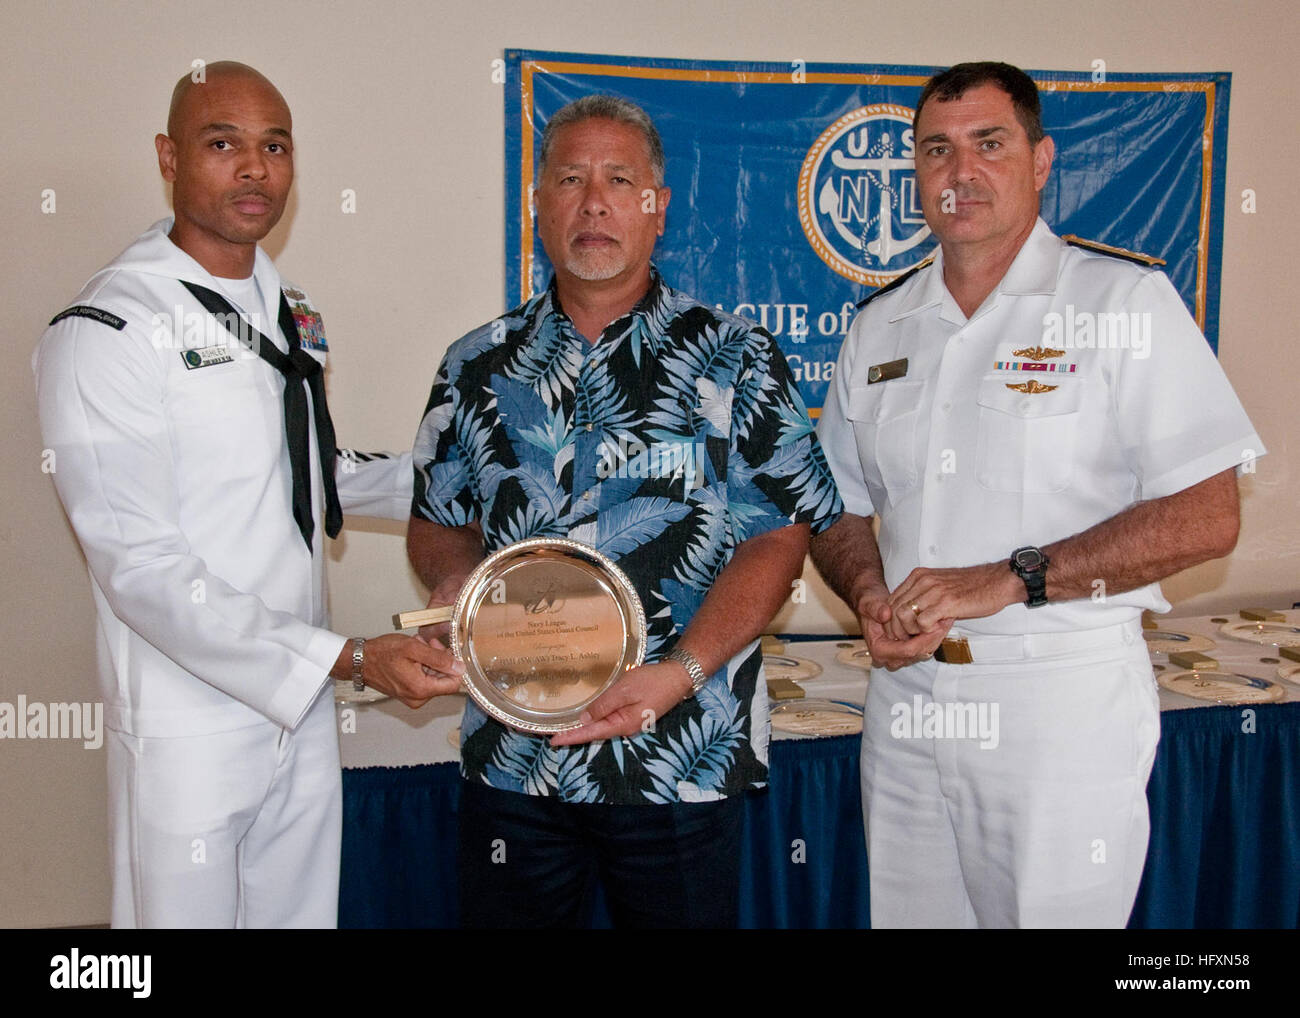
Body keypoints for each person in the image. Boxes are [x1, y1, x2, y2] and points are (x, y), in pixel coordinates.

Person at [810, 61, 1264, 929]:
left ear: (1042, 159)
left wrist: (1012, 576)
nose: (960, 173)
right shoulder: (880, 326)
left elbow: (1209, 514)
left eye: (989, 144)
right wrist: (867, 591)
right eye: (936, 151)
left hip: (1053, 704)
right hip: (908, 700)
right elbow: (838, 503)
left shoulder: (1121, 300)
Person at [33, 62, 463, 928]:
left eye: (275, 146)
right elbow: (142, 568)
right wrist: (343, 659)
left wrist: (474, 479)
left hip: (297, 713)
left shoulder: (285, 309)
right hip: (188, 722)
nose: (255, 169)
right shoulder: (110, 331)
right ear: (169, 156)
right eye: (223, 143)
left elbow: (310, 469)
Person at [407, 94, 842, 928]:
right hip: (514, 756)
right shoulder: (476, 364)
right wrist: (458, 590)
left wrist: (679, 674)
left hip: (680, 754)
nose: (594, 202)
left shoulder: (737, 357)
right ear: (539, 204)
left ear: (657, 206)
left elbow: (778, 537)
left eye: (619, 180)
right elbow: (438, 516)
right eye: (569, 179)